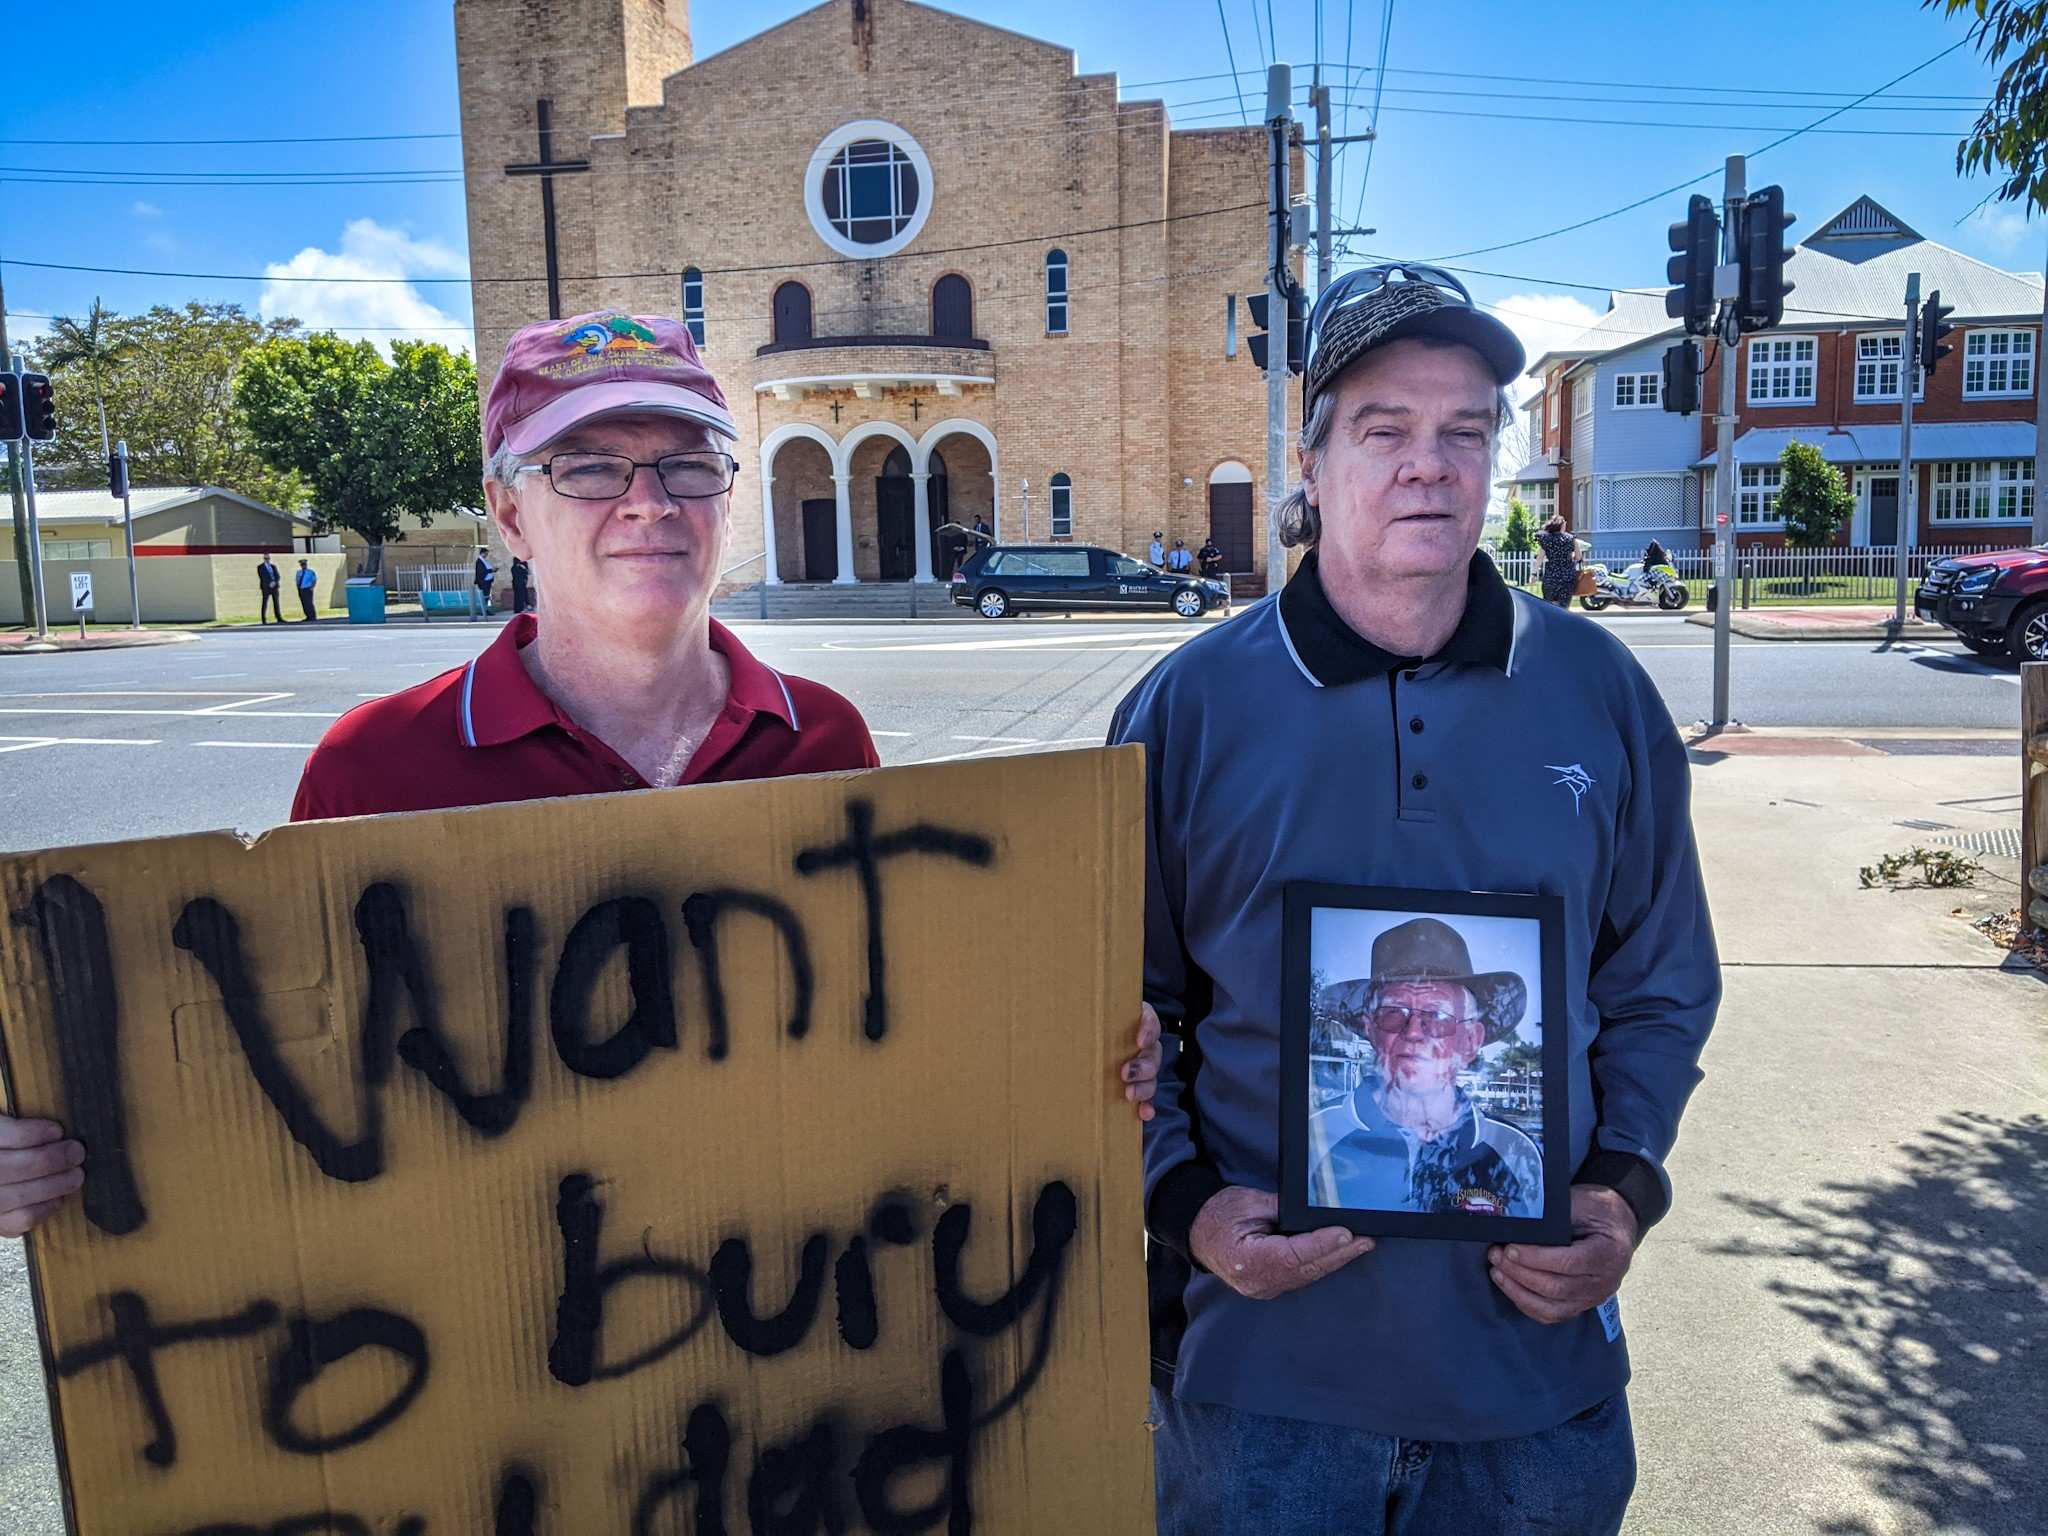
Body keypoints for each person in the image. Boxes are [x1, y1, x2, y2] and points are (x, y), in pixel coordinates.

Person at [1110, 263, 1718, 1534]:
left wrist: (1620, 1191)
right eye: (1384, 430)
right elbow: (1114, 1010)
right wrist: (1185, 1207)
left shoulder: (1598, 690)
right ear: (1313, 459)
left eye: (1463, 432)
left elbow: (1659, 986)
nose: (1426, 467)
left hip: (1531, 1388)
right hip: (1257, 1386)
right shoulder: (1188, 707)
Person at [1306, 919, 1541, 1218]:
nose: (1414, 1032)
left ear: (1470, 1041)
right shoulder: (1314, 1136)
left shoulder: (1515, 1151)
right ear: (1371, 1031)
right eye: (1393, 1013)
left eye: (1438, 1016)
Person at [1534, 512, 1578, 609]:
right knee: (1563, 608)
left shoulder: (1546, 539)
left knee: (1549, 607)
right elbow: (1578, 557)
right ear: (1562, 525)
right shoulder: (1571, 539)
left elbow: (1540, 558)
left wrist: (1533, 574)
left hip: (1551, 577)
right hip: (1567, 578)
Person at [257, 554, 283, 624]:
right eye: (266, 558)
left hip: (274, 587)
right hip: (266, 587)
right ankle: (263, 619)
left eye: (268, 558)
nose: (267, 560)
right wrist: (269, 583)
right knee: (265, 602)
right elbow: (262, 576)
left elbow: (277, 576)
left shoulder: (273, 566)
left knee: (276, 602)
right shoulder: (260, 567)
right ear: (264, 559)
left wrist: (274, 582)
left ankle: (279, 618)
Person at [472, 547, 497, 619]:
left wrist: (492, 571)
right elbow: (481, 572)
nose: (486, 555)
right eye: (486, 553)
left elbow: (487, 569)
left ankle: (486, 610)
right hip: (483, 582)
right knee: (484, 596)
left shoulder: (484, 561)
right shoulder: (479, 561)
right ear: (482, 553)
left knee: (487, 596)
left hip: (488, 581)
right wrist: (491, 570)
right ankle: (484, 610)